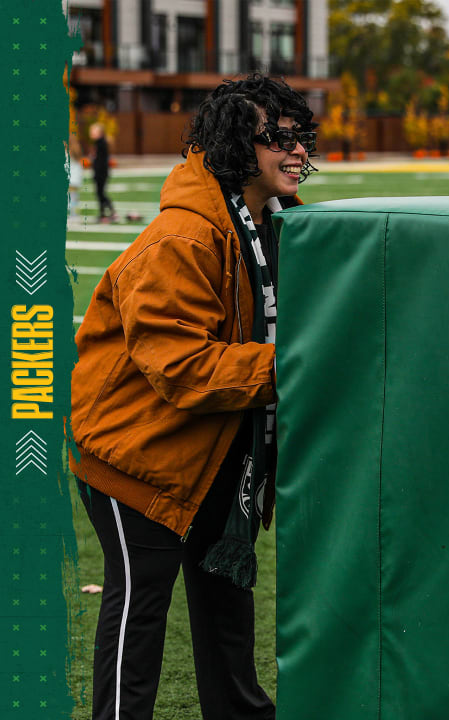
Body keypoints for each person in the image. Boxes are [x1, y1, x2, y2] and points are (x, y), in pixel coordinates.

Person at [69, 74, 317, 720]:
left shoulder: (273, 224)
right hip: (136, 452)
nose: (297, 152)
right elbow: (181, 368)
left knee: (227, 604)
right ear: (239, 144)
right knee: (139, 609)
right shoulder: (184, 236)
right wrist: (301, 365)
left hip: (213, 452)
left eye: (301, 137)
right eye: (278, 138)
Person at [89, 122, 117, 223]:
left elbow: (100, 161)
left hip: (101, 172)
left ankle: (108, 213)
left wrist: (96, 171)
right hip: (100, 172)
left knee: (101, 193)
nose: (91, 133)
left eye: (93, 131)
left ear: (100, 133)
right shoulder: (98, 143)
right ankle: (105, 213)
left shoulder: (101, 143)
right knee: (100, 193)